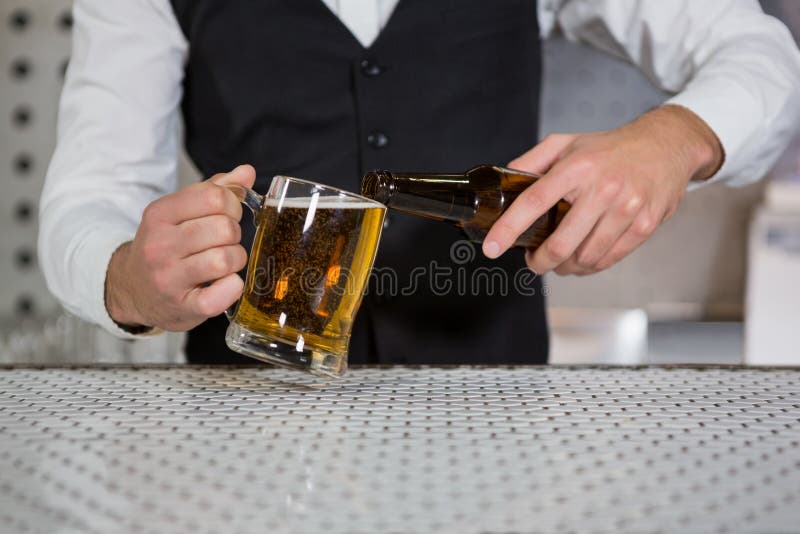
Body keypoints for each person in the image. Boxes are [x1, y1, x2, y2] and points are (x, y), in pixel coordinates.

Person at [39, 0, 800, 365]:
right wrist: (128, 280)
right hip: (244, 418)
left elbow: (760, 52)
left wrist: (672, 139)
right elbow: (89, 193)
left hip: (495, 414)